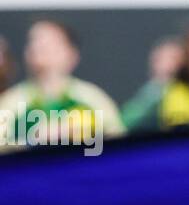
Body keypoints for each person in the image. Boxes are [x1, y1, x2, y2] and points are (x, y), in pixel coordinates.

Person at [0, 19, 125, 149]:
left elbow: (119, 141)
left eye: (48, 43)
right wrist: (31, 141)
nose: (38, 47)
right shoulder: (12, 102)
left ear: (71, 53)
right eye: (33, 42)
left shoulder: (91, 99)